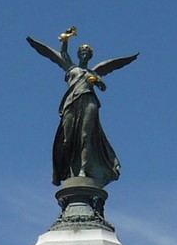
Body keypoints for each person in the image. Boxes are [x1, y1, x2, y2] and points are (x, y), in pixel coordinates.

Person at [26, 29, 138, 187]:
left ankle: (83, 170)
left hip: (89, 102)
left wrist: (97, 81)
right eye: (82, 51)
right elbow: (62, 53)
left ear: (90, 55)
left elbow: (103, 87)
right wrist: (65, 39)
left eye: (87, 52)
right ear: (78, 54)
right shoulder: (71, 68)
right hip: (71, 103)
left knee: (86, 137)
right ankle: (66, 170)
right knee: (67, 138)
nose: (84, 54)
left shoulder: (93, 72)